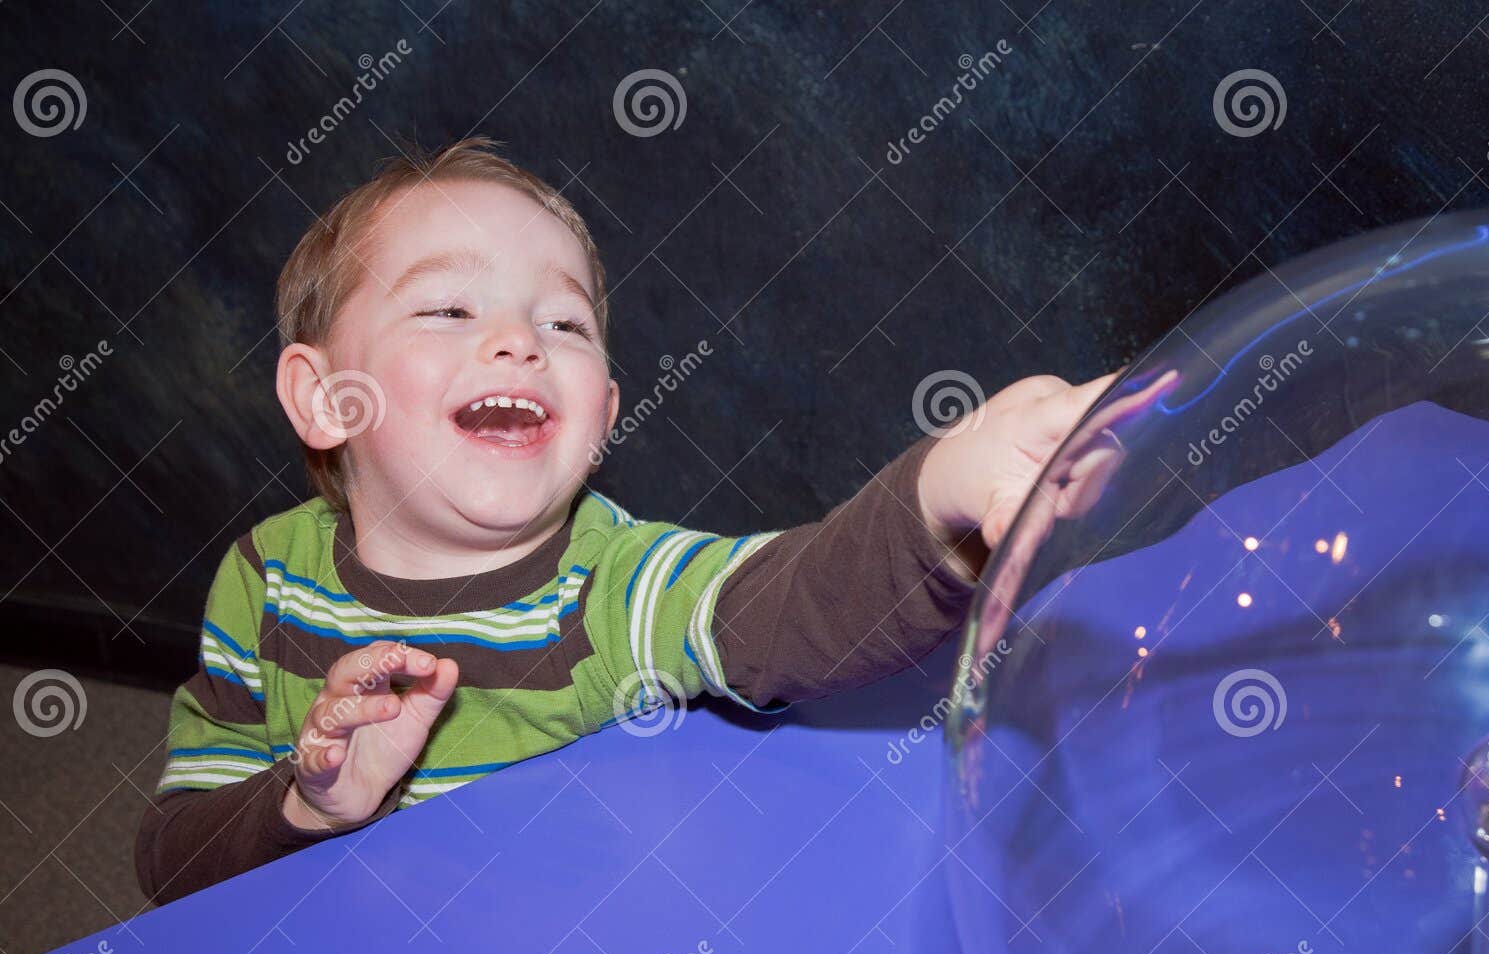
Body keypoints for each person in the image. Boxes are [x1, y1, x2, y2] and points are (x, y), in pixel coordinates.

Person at [133, 136, 1123, 904]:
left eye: (564, 323)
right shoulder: (263, 577)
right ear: (325, 399)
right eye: (449, 310)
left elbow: (780, 604)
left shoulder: (610, 584)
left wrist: (940, 494)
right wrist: (309, 803)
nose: (519, 341)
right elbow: (172, 863)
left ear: (602, 417)